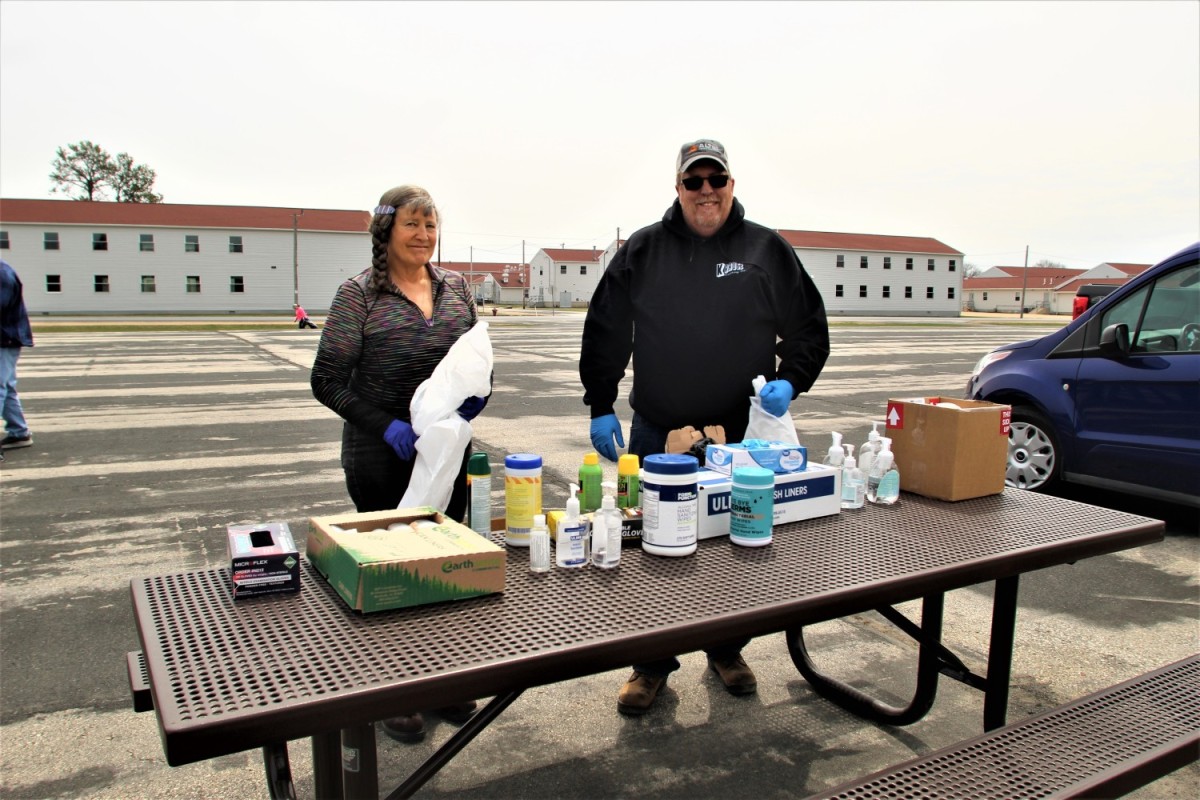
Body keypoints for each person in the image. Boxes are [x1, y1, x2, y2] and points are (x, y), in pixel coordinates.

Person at [579, 139, 831, 715]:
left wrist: (791, 379)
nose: (706, 191)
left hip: (743, 438)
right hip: (656, 430)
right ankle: (650, 665)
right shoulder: (644, 250)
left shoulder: (766, 249)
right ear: (678, 188)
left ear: (732, 184)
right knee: (652, 551)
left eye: (716, 178)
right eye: (694, 181)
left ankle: (726, 648)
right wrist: (600, 402)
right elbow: (607, 330)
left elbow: (808, 329)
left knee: (738, 548)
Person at [310, 185, 488, 742]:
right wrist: (385, 425)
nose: (424, 235)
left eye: (431, 224)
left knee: (443, 560)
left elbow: (474, 355)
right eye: (412, 224)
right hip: (380, 448)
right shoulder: (359, 294)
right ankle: (395, 690)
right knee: (391, 572)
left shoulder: (455, 287)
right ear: (384, 230)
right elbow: (326, 380)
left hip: (442, 448)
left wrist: (480, 395)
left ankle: (444, 680)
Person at [1, 259, 35, 457]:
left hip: (4, 339)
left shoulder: (2, 274)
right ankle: (19, 432)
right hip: (7, 338)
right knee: (6, 387)